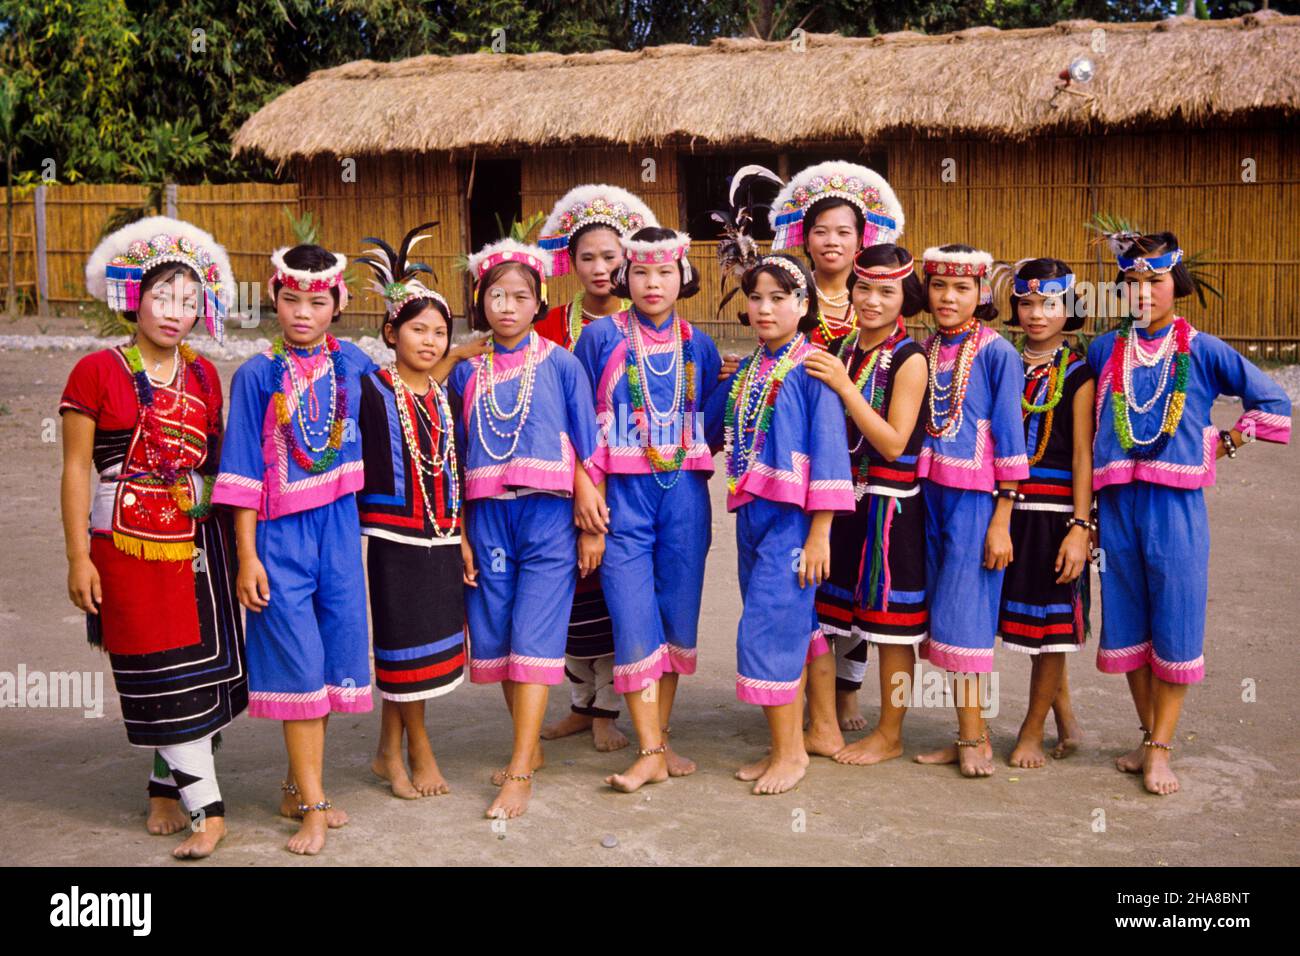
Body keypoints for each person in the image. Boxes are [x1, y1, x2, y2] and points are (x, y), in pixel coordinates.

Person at [61, 216, 246, 859]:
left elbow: (218, 465)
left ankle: (165, 784)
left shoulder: (203, 379)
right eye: (163, 296)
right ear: (133, 298)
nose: (176, 312)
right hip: (127, 550)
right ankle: (210, 811)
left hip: (200, 546)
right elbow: (74, 471)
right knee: (157, 674)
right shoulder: (95, 373)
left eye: (190, 300)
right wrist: (78, 557)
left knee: (202, 674)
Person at [1088, 230, 1291, 795]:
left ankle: (1160, 750)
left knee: (1175, 621)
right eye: (1133, 283)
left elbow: (1273, 401)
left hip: (1176, 508)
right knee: (1126, 623)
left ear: (1174, 283)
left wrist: (1224, 443)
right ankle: (1145, 733)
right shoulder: (1105, 350)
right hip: (1116, 505)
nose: (1144, 292)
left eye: (1155, 281)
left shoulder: (1202, 349)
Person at [213, 243, 377, 854]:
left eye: (317, 301)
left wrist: (464, 353)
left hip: (338, 532)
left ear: (338, 304)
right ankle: (314, 804)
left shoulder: (354, 364)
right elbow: (242, 474)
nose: (302, 312)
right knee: (299, 667)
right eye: (290, 300)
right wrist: (247, 556)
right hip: (278, 541)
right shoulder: (257, 374)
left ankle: (295, 779)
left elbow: (409, 384)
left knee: (330, 667)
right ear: (274, 300)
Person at [447, 238, 602, 819]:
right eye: (495, 295)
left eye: (520, 296)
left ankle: (518, 771)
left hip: (549, 518)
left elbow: (591, 446)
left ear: (540, 302)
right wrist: (460, 531)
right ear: (480, 300)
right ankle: (529, 746)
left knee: (535, 639)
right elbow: (450, 454)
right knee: (501, 638)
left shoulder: (561, 363)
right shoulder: (465, 373)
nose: (507, 306)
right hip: (486, 520)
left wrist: (591, 525)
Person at [572, 227, 721, 793]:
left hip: (684, 497)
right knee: (634, 619)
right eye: (641, 272)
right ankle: (652, 749)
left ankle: (657, 740)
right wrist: (588, 501)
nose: (652, 283)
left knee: (676, 620)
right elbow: (580, 426)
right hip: (620, 502)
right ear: (625, 276)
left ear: (682, 275)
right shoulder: (600, 339)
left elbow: (709, 426)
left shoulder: (699, 345)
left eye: (664, 272)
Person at [708, 251, 855, 794]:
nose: (765, 308)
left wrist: (820, 533)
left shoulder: (813, 366)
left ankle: (788, 754)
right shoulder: (752, 366)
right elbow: (712, 425)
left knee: (767, 627)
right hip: (752, 514)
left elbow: (830, 452)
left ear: (803, 303)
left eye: (779, 297)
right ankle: (821, 732)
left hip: (794, 523)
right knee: (798, 624)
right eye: (756, 297)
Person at [534, 184, 657, 752]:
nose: (601, 267)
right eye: (588, 257)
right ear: (570, 262)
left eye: (612, 256)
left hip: (620, 483)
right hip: (560, 482)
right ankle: (582, 703)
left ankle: (609, 709)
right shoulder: (550, 323)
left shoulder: (645, 325)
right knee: (568, 592)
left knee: (613, 592)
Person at [805, 243, 929, 765]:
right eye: (863, 288)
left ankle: (891, 731)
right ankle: (823, 718)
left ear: (905, 297)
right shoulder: (846, 346)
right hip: (846, 501)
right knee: (832, 616)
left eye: (886, 291)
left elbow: (895, 442)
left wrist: (843, 384)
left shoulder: (910, 356)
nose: (872, 300)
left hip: (890, 506)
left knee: (892, 629)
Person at [355, 224, 466, 798]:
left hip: (444, 539)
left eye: (440, 333)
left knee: (428, 650)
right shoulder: (370, 388)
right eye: (417, 329)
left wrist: (464, 537)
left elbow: (458, 468)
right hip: (395, 543)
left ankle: (383, 752)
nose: (429, 341)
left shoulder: (443, 396)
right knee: (402, 649)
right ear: (390, 332)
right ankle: (415, 754)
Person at [911, 245, 1029, 778]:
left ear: (982, 293)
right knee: (941, 618)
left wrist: (1002, 519)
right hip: (928, 494)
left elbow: (1010, 434)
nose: (949, 297)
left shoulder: (997, 352)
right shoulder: (927, 347)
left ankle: (976, 737)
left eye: (961, 288)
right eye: (939, 286)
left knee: (967, 616)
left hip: (977, 501)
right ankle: (960, 733)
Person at [997, 257, 1094, 768]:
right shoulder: (1003, 361)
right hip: (1006, 510)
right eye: (1028, 302)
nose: (1037, 313)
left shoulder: (1078, 374)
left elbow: (1082, 455)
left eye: (1050, 303)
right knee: (1024, 623)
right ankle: (1066, 717)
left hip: (1056, 514)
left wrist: (1080, 528)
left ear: (1069, 308)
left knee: (1051, 630)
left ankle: (1032, 731)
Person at [768, 161, 905, 348]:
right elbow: (773, 350)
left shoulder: (874, 296)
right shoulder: (797, 293)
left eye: (843, 232)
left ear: (859, 242)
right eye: (821, 232)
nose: (832, 241)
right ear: (807, 241)